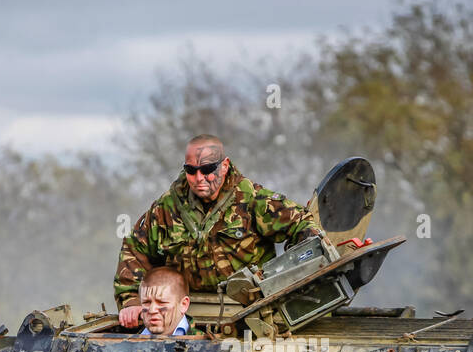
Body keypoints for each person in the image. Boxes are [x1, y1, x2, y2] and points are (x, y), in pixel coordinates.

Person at [115, 134, 327, 327]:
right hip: (183, 315)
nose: (199, 178)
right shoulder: (166, 208)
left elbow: (303, 224)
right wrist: (132, 300)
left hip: (252, 312)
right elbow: (135, 248)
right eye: (191, 170)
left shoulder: (253, 199)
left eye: (207, 170)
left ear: (224, 166)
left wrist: (297, 272)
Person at [134, 266, 194, 336]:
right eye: (146, 302)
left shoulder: (207, 341)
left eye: (161, 302)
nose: (152, 310)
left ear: (183, 305)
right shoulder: (127, 341)